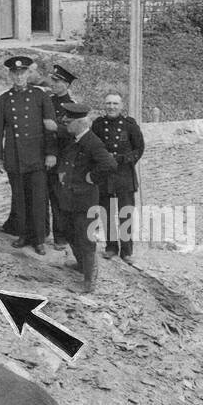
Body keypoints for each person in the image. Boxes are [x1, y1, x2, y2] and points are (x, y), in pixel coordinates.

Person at [0, 55, 56, 254]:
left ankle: (38, 240)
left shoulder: (40, 95)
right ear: (10, 75)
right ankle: (23, 235)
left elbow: (50, 127)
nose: (19, 77)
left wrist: (51, 153)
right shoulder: (4, 99)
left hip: (37, 155)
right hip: (15, 155)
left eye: (23, 73)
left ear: (29, 74)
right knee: (19, 198)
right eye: (16, 73)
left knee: (38, 198)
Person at [57, 102, 116, 293]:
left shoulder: (93, 142)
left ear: (81, 123)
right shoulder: (75, 138)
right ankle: (81, 265)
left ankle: (90, 281)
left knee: (86, 239)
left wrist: (92, 177)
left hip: (85, 201)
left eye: (69, 120)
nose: (65, 122)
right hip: (70, 198)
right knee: (69, 232)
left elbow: (109, 164)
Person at [91, 91, 145, 262]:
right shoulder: (98, 125)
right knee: (106, 212)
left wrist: (125, 160)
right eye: (108, 103)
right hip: (105, 176)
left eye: (115, 104)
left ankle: (127, 251)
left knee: (125, 213)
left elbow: (139, 148)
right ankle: (111, 247)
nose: (111, 107)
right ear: (104, 105)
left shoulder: (130, 125)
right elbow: (92, 149)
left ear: (121, 106)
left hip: (124, 175)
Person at [45, 64, 77, 248]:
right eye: (53, 80)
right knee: (42, 197)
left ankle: (60, 237)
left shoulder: (71, 107)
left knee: (59, 199)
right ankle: (41, 233)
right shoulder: (47, 100)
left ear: (66, 84)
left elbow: (72, 132)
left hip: (61, 159)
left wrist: (57, 129)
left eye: (57, 81)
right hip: (43, 156)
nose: (53, 84)